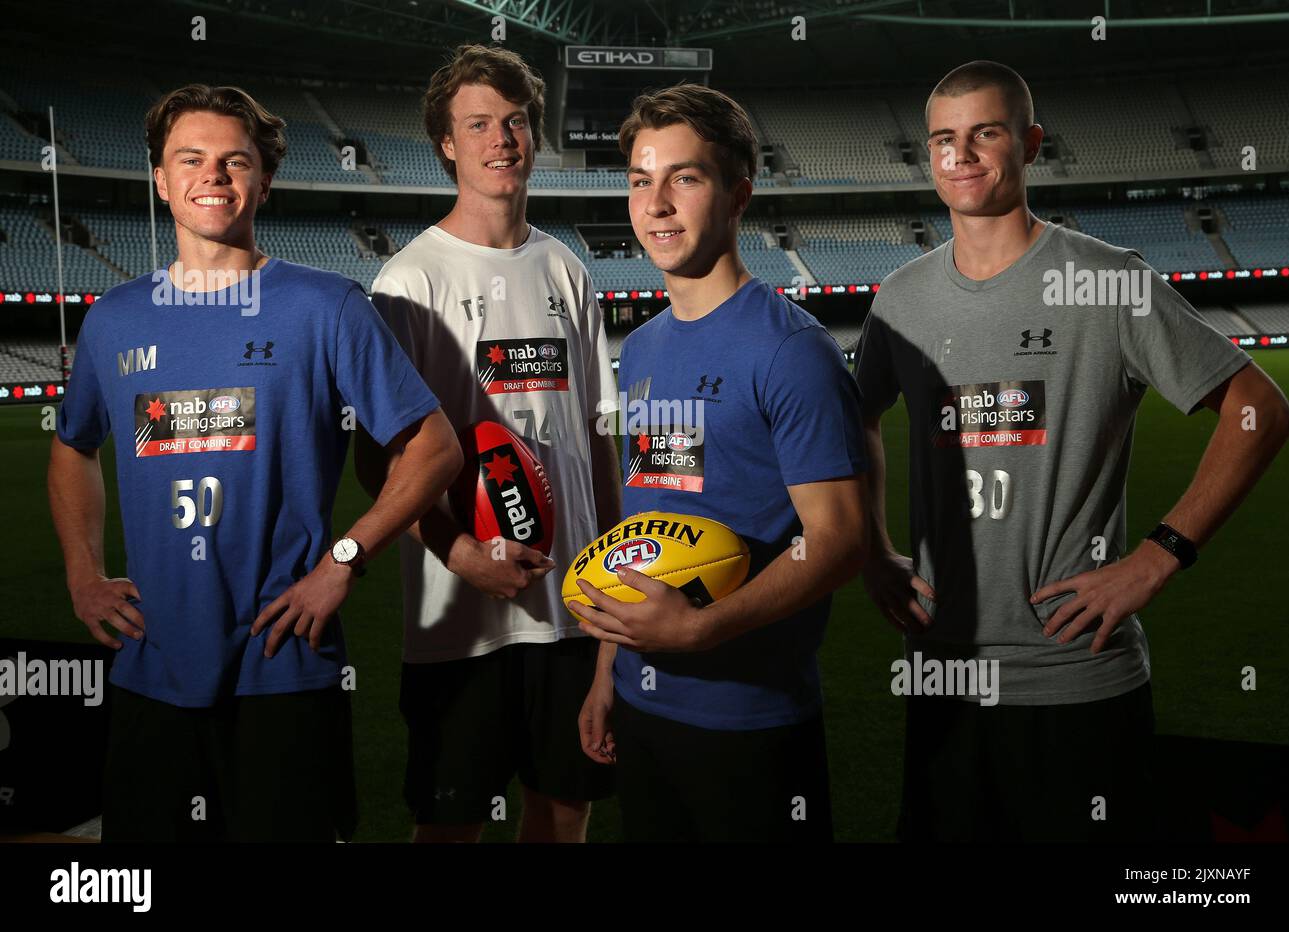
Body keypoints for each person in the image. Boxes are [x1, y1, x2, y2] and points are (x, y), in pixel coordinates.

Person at [854, 60, 1289, 841]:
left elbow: (1259, 408)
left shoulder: (1106, 280)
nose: (961, 154)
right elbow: (855, 420)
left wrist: (1159, 555)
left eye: (985, 133)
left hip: (1075, 676)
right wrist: (871, 549)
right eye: (944, 139)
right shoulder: (901, 297)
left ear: (1030, 144)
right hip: (942, 673)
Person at [48, 84, 461, 842]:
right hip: (153, 661)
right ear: (161, 180)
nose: (213, 174)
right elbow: (72, 444)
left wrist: (343, 560)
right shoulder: (113, 319)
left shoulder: (327, 306)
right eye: (190, 159)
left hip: (285, 661)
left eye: (234, 161)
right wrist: (83, 572)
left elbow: (434, 446)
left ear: (263, 181)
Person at [570, 84, 869, 842]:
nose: (656, 204)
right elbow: (641, 526)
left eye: (685, 177)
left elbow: (839, 541)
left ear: (739, 193)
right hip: (642, 706)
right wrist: (607, 673)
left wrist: (702, 630)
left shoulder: (792, 351)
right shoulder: (641, 348)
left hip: (751, 720)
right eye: (641, 180)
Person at [355, 45, 620, 843]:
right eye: (478, 125)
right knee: (449, 825)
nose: (501, 139)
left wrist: (612, 578)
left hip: (571, 610)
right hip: (458, 623)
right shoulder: (408, 282)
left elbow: (598, 443)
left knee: (563, 815)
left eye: (515, 121)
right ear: (447, 143)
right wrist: (463, 553)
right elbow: (376, 461)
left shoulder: (567, 268)